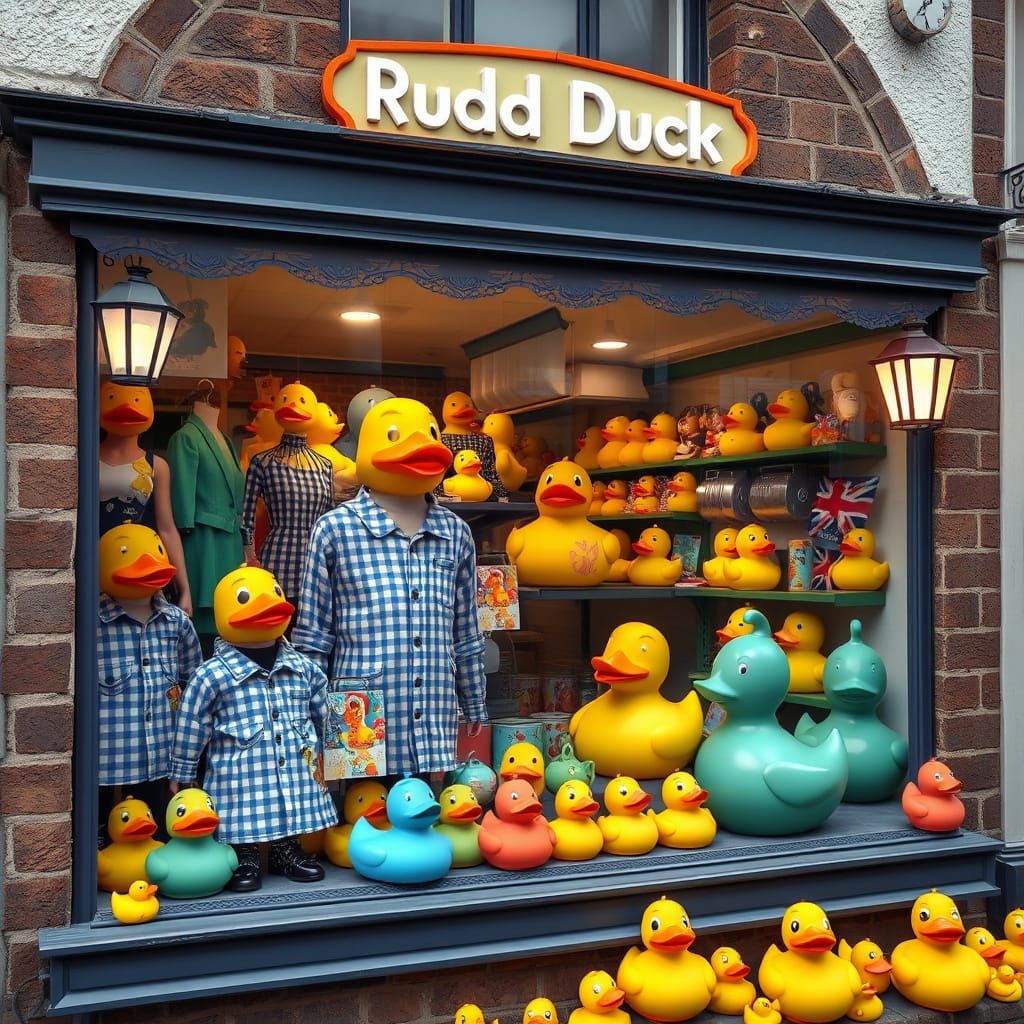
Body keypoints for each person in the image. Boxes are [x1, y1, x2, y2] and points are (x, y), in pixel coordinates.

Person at [293, 397, 487, 778]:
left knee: (428, 822)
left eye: (430, 434)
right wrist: (310, 717)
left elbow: (466, 632)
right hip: (357, 717)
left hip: (434, 715)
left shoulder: (455, 533)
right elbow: (313, 639)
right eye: (396, 434)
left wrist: (475, 702)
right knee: (363, 825)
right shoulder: (335, 530)